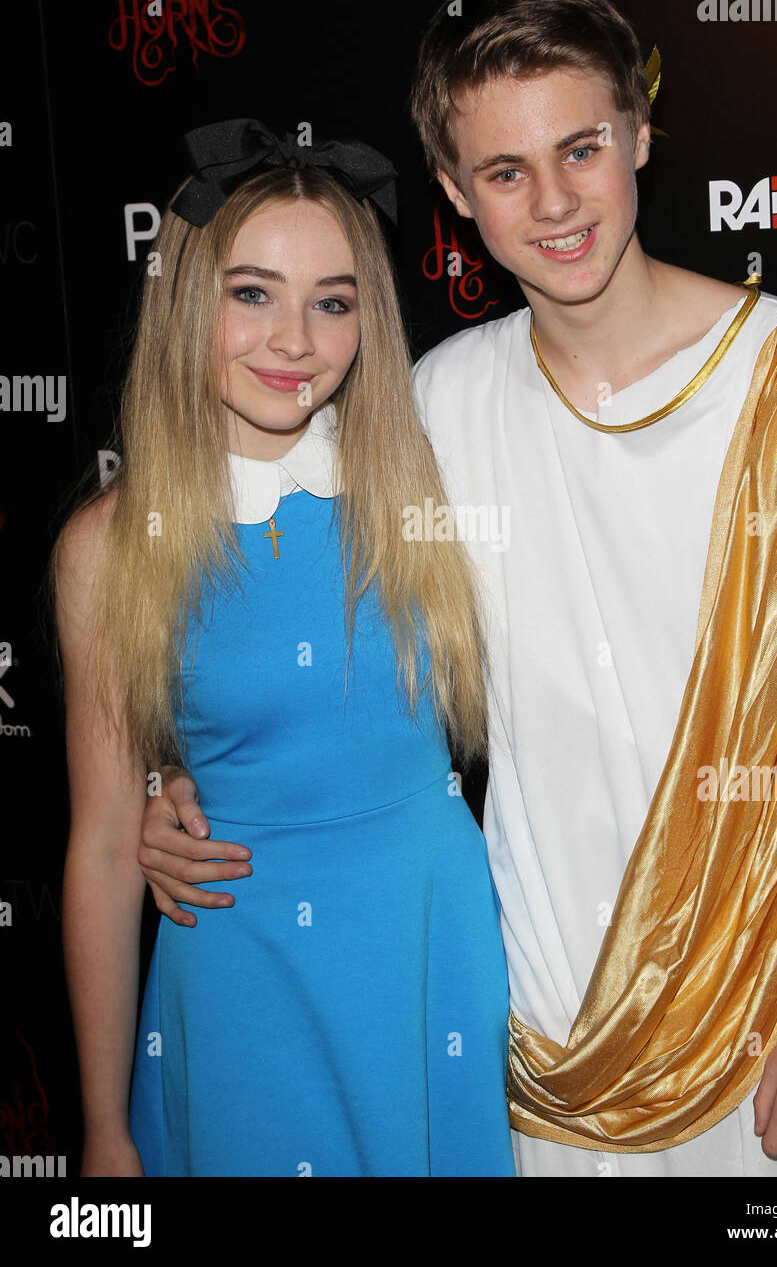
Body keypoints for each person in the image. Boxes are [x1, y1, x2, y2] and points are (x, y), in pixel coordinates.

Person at [139, 0, 777, 1178]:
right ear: (454, 193)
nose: (554, 202)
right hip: (552, 1016)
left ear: (640, 136)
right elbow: (246, 573)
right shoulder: (432, 409)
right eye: (506, 171)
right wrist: (173, 781)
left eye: (581, 149)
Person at [54, 120, 515, 1178]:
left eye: (333, 302)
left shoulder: (436, 481)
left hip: (427, 960)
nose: (294, 341)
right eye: (252, 293)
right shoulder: (109, 546)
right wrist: (104, 1128)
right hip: (237, 971)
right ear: (186, 298)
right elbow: (103, 850)